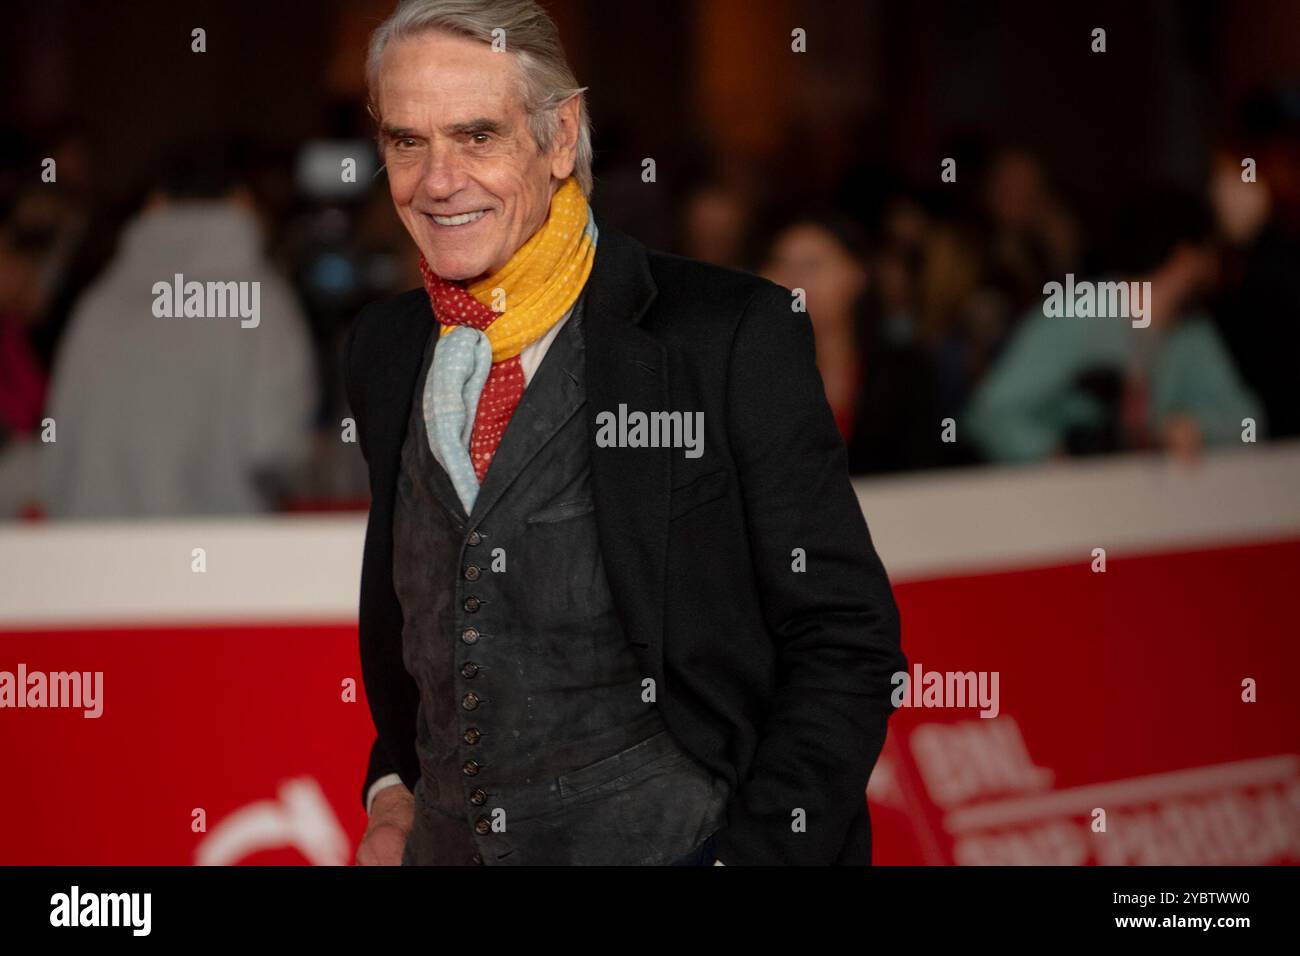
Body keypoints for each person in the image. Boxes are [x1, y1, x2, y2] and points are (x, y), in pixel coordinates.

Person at [347, 0, 903, 866]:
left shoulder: (722, 336)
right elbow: (431, 624)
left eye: (477, 135)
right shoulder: (384, 351)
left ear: (561, 136)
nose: (436, 181)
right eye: (406, 143)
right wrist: (393, 794)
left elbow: (844, 638)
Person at [40, 144, 318, 517]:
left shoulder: (100, 302)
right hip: (220, 555)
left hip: (98, 556)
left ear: (155, 204)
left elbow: (58, 448)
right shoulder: (262, 301)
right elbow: (277, 447)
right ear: (242, 203)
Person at [965, 189, 1263, 464]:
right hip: (1064, 503)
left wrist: (1196, 427)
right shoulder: (1076, 315)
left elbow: (1247, 420)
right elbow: (992, 412)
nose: (1213, 267)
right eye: (1208, 253)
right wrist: (1050, 454)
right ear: (1185, 257)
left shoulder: (1190, 330)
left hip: (1152, 501)